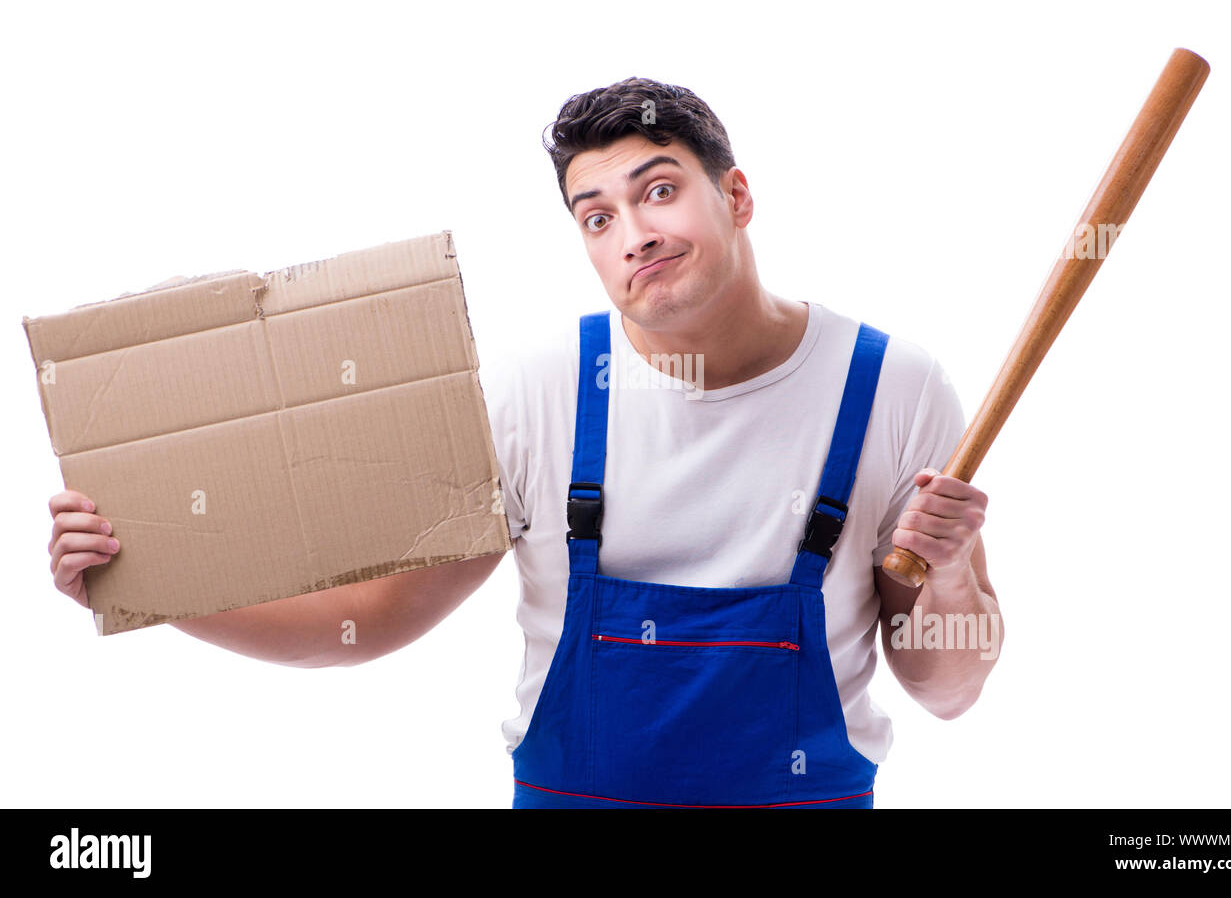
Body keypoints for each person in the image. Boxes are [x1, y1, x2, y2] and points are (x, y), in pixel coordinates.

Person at [47, 76, 1003, 808]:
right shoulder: (540, 391)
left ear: (738, 196)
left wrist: (947, 570)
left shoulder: (895, 389)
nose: (633, 233)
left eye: (659, 189)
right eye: (598, 216)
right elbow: (368, 619)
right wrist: (153, 587)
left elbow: (950, 687)